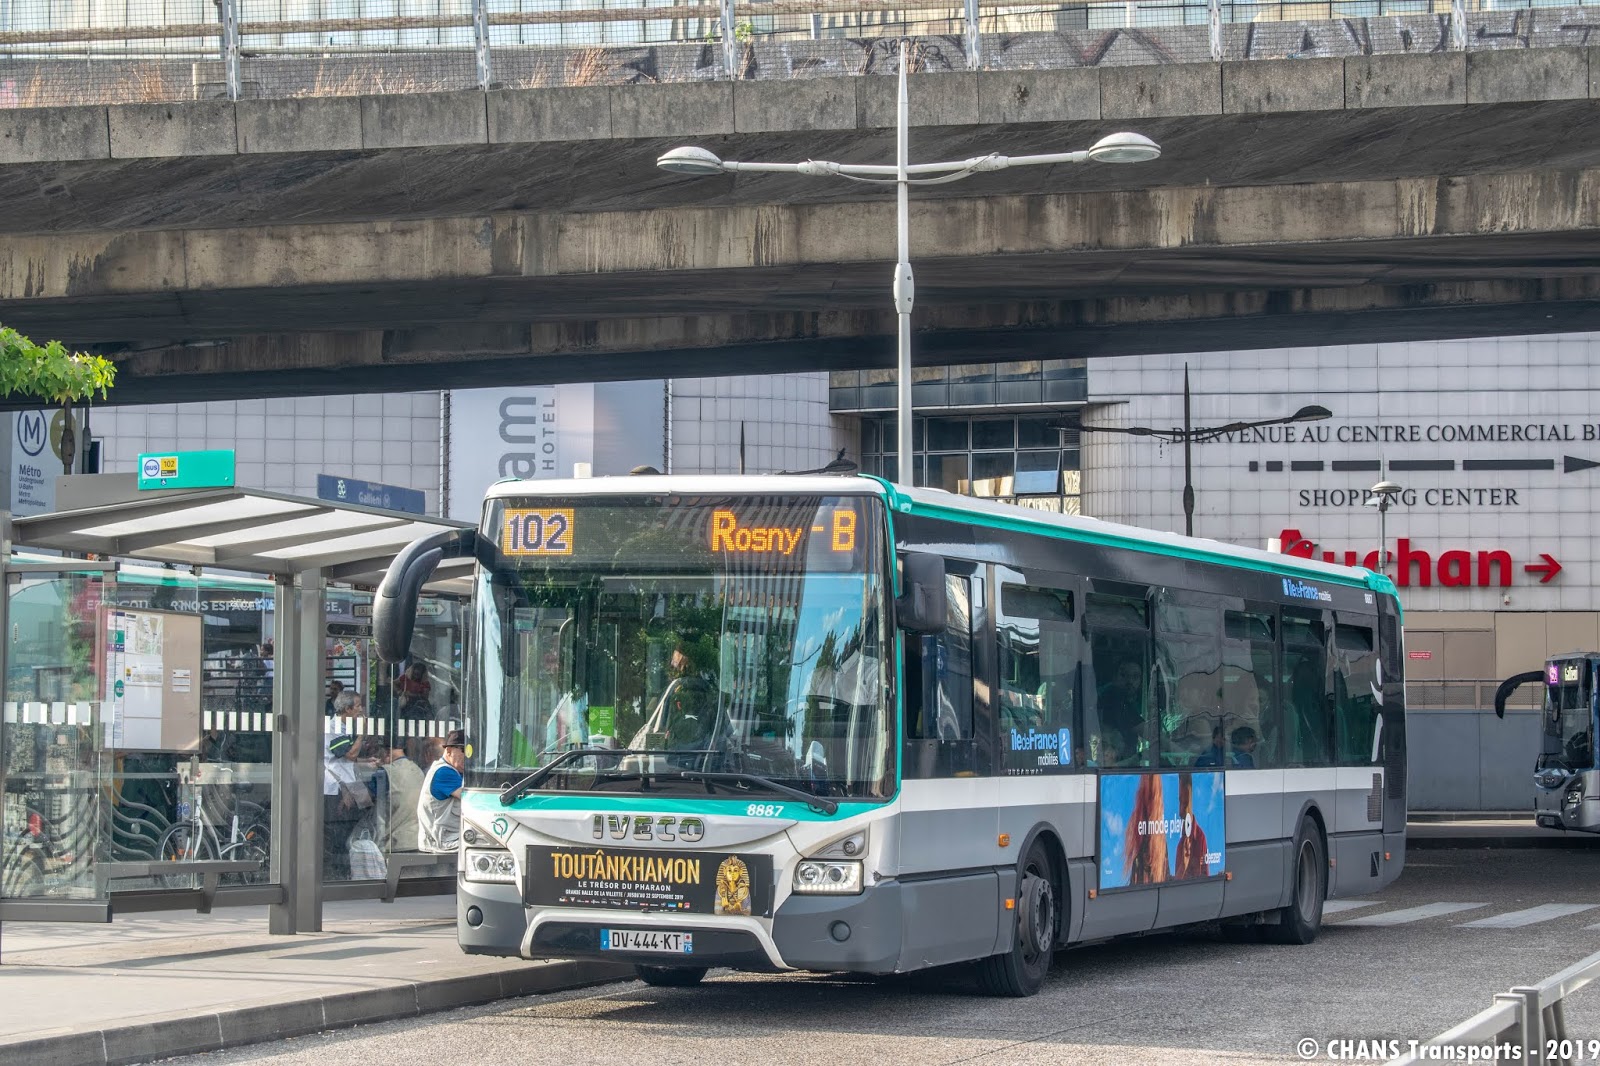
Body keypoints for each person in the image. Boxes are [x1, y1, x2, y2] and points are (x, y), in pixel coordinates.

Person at [323, 734, 373, 879]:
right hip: (335, 792)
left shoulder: (344, 730)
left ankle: (343, 872)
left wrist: (366, 762)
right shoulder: (334, 731)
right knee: (335, 834)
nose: (361, 712)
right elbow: (350, 755)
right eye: (359, 709)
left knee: (345, 833)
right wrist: (361, 734)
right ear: (350, 709)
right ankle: (336, 872)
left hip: (344, 789)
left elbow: (346, 760)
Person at [418, 729, 466, 853]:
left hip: (448, 837)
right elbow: (472, 800)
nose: (468, 756)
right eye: (463, 751)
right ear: (449, 750)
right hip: (443, 841)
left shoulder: (454, 770)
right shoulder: (444, 772)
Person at [381, 743, 424, 855]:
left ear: (387, 752)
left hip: (394, 842)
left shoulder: (385, 773)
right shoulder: (418, 770)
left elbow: (362, 798)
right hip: (417, 839)